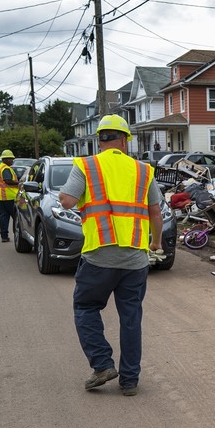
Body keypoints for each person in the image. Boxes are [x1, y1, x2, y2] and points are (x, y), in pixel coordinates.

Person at [59, 115, 163, 397]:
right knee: (131, 318)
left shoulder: (86, 166)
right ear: (125, 140)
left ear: (98, 139)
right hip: (134, 259)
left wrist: (70, 197)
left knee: (85, 307)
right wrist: (156, 242)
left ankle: (103, 364)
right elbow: (155, 211)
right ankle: (129, 380)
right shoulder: (143, 170)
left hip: (98, 257)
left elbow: (67, 201)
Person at [0, 149, 20, 243]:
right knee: (16, 217)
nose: (12, 161)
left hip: (0, 196)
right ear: (5, 159)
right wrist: (19, 183)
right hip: (8, 196)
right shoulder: (6, 169)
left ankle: (4, 236)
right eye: (10, 159)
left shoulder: (0, 167)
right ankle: (18, 235)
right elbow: (8, 181)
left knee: (4, 215)